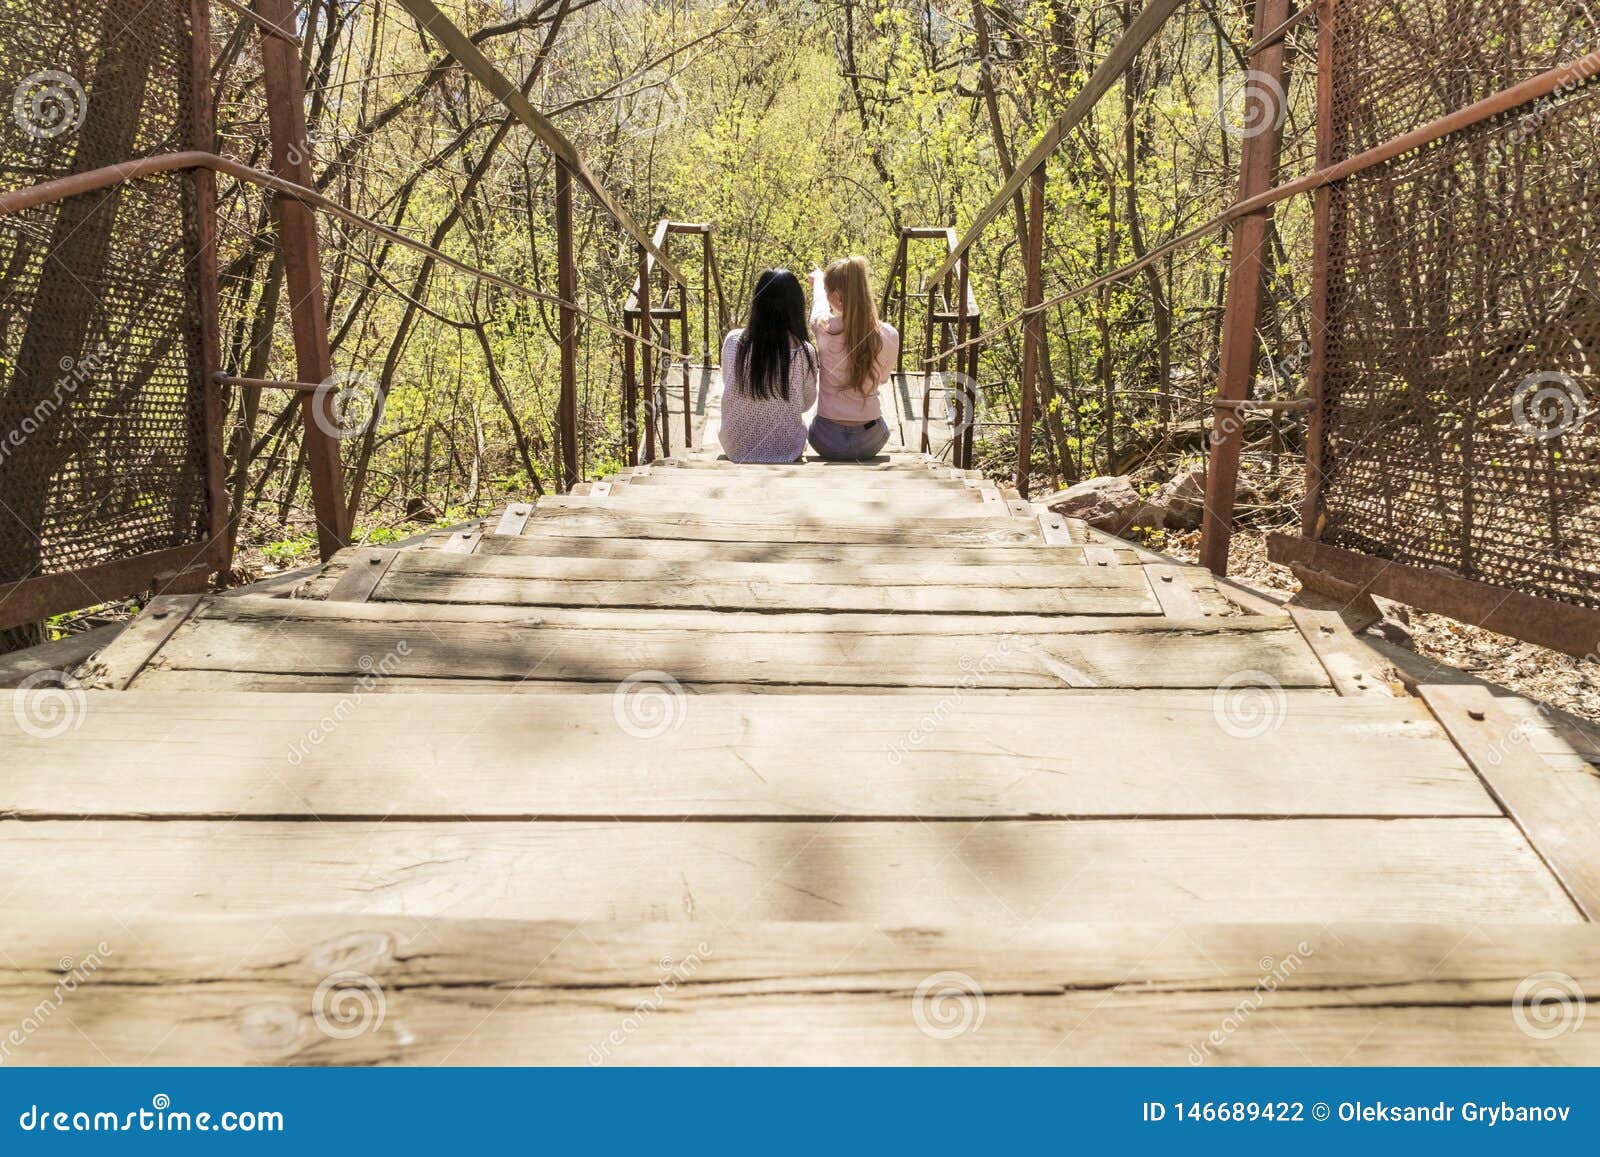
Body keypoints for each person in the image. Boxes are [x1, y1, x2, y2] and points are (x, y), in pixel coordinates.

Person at [717, 269, 818, 463]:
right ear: (796, 307)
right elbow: (806, 404)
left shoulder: (733, 341)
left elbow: (728, 382)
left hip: (736, 447)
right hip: (787, 449)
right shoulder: (805, 351)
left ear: (758, 302)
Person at [807, 256, 900, 460]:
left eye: (827, 291)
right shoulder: (889, 335)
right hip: (870, 440)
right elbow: (883, 379)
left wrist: (819, 282)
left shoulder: (823, 328)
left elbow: (819, 308)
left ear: (835, 296)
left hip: (825, 439)